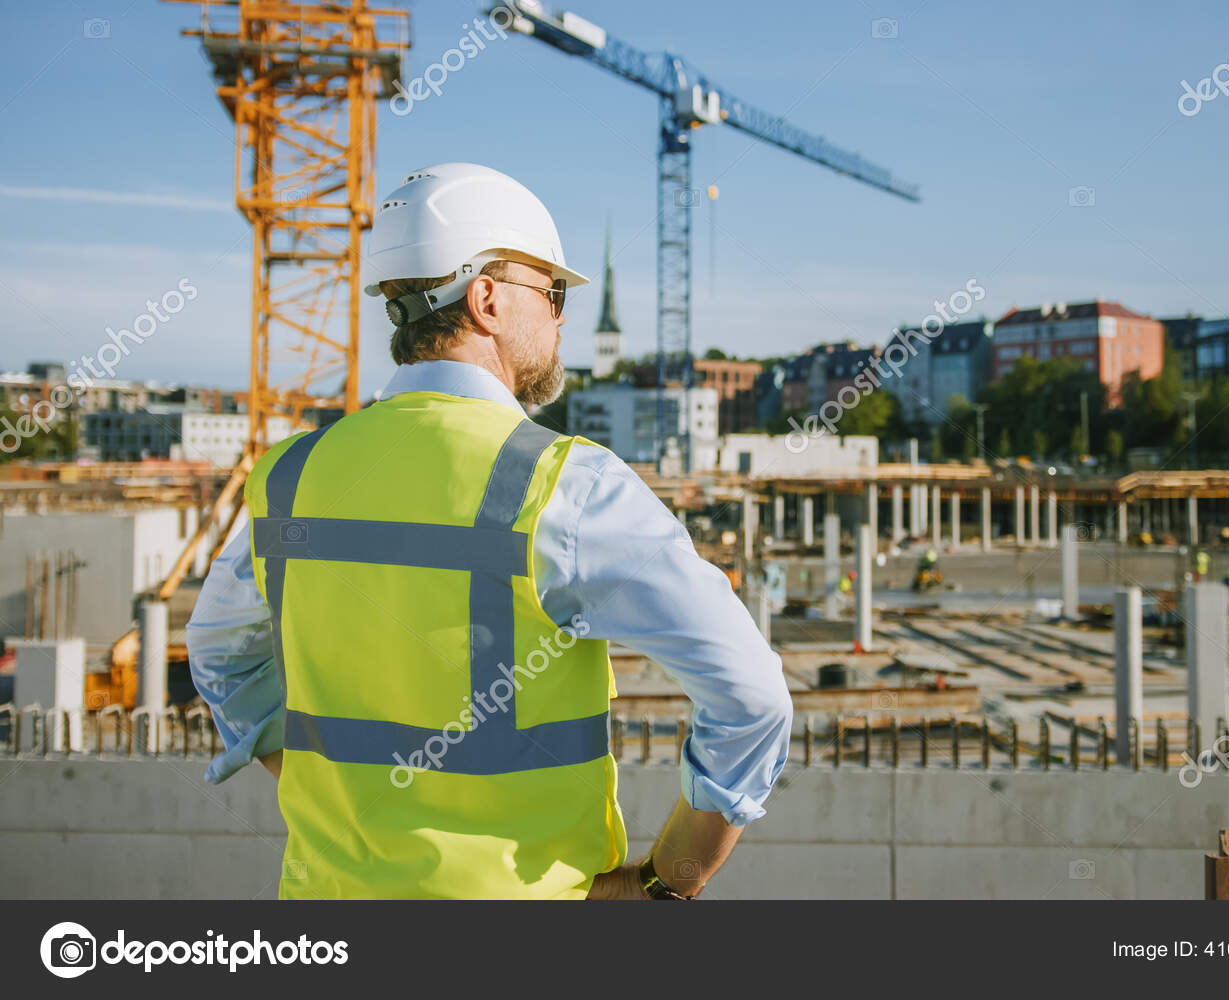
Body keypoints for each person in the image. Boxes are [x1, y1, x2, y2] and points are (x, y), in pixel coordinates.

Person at [186, 164, 793, 901]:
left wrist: (314, 776)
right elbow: (752, 698)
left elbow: (218, 651)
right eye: (553, 293)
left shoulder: (289, 475)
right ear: (487, 300)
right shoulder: (566, 484)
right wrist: (666, 883)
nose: (561, 319)